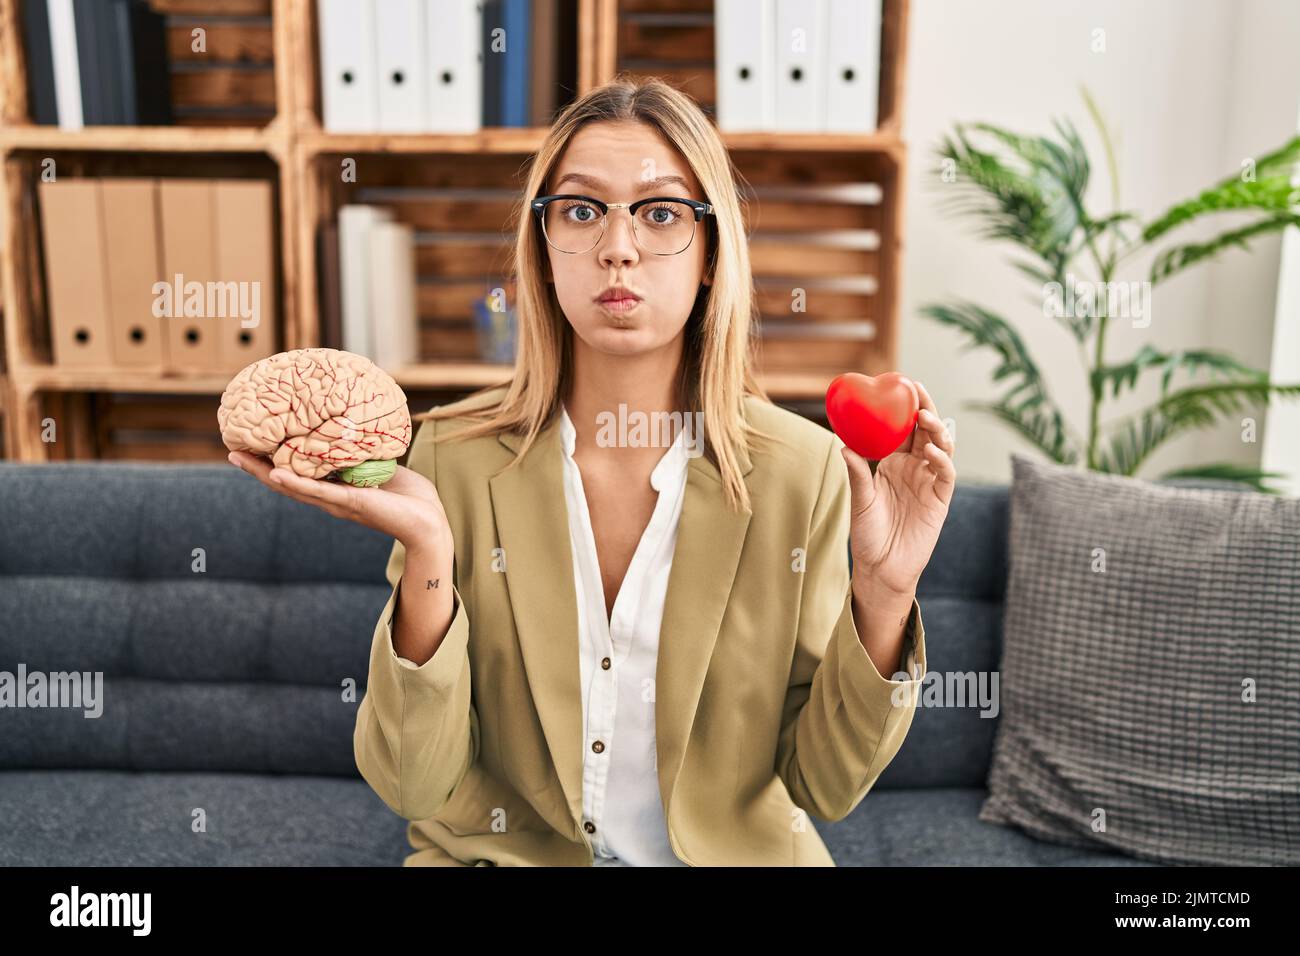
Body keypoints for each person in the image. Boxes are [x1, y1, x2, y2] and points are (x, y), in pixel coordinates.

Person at [228, 75, 955, 866]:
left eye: (661, 212)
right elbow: (414, 785)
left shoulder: (806, 472)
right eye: (580, 210)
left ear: (711, 254)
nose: (617, 245)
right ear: (543, 249)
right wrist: (431, 560)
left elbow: (823, 787)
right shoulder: (447, 455)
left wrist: (885, 595)